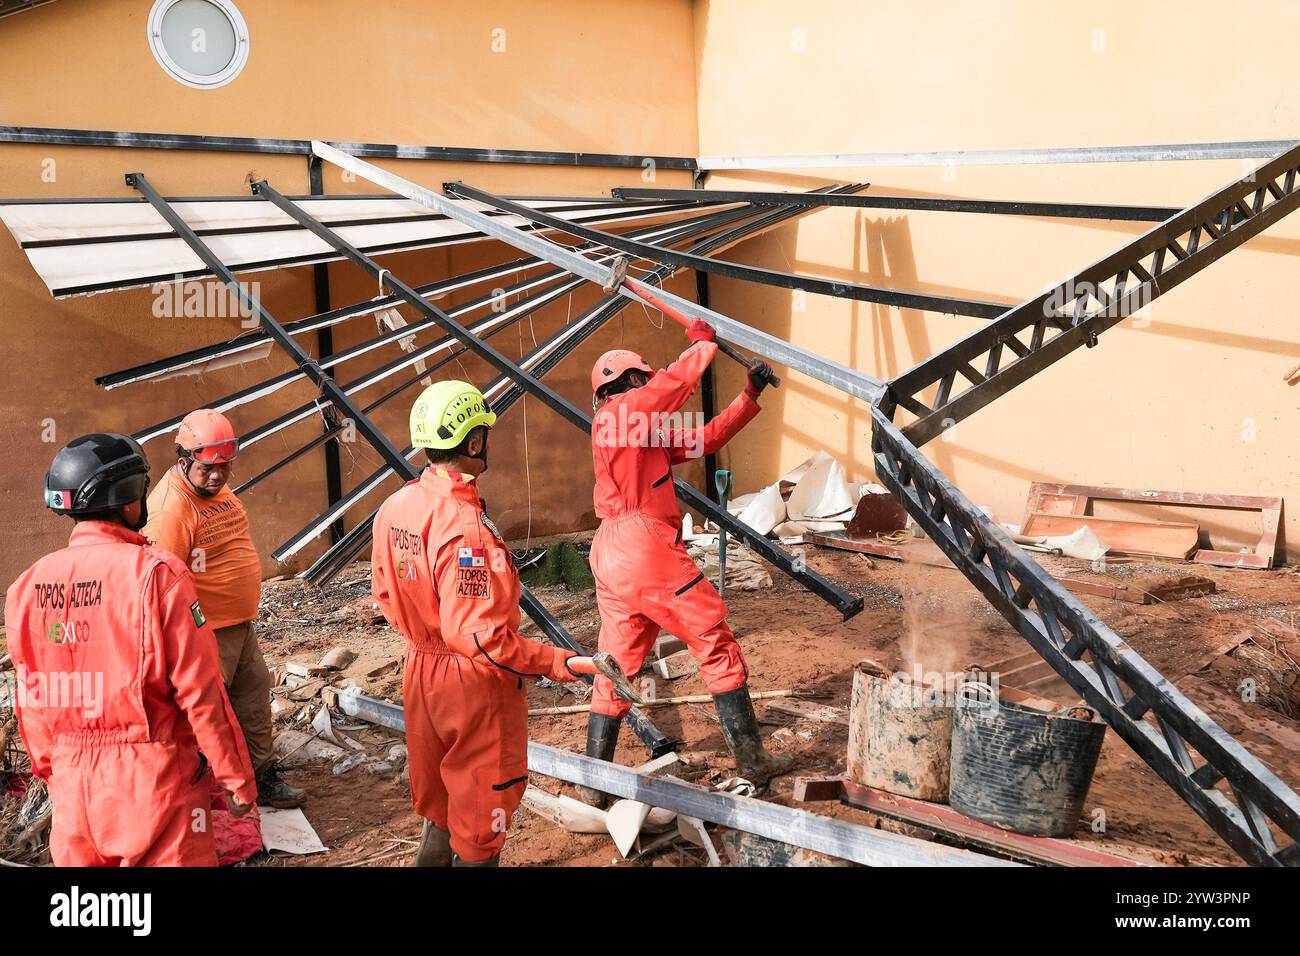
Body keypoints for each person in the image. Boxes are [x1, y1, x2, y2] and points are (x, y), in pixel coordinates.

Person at [372, 380, 597, 867]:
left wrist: (424, 637)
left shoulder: (398, 505)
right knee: (481, 816)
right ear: (473, 443)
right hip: (472, 684)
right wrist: (561, 662)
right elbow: (479, 638)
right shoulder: (465, 528)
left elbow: (384, 592)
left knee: (441, 804)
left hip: (421, 674)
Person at [5, 433, 256, 866]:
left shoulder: (26, 587)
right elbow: (200, 691)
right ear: (128, 497)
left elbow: (32, 696)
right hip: (155, 781)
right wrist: (235, 778)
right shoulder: (158, 576)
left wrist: (55, 768)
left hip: (72, 788)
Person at [580, 319, 790, 807]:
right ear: (628, 382)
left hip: (614, 554)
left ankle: (593, 784)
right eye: (642, 378)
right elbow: (668, 389)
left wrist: (749, 395)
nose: (648, 384)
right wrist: (701, 346)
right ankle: (753, 763)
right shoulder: (619, 414)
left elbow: (708, 438)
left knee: (615, 667)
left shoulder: (638, 435)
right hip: (642, 547)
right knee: (713, 638)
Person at [143, 408, 303, 808]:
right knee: (210, 717)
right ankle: (213, 795)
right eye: (208, 468)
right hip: (206, 632)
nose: (217, 476)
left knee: (252, 698)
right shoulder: (170, 509)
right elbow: (162, 584)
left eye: (225, 467)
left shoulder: (215, 488)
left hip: (238, 624)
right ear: (184, 461)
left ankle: (262, 778)